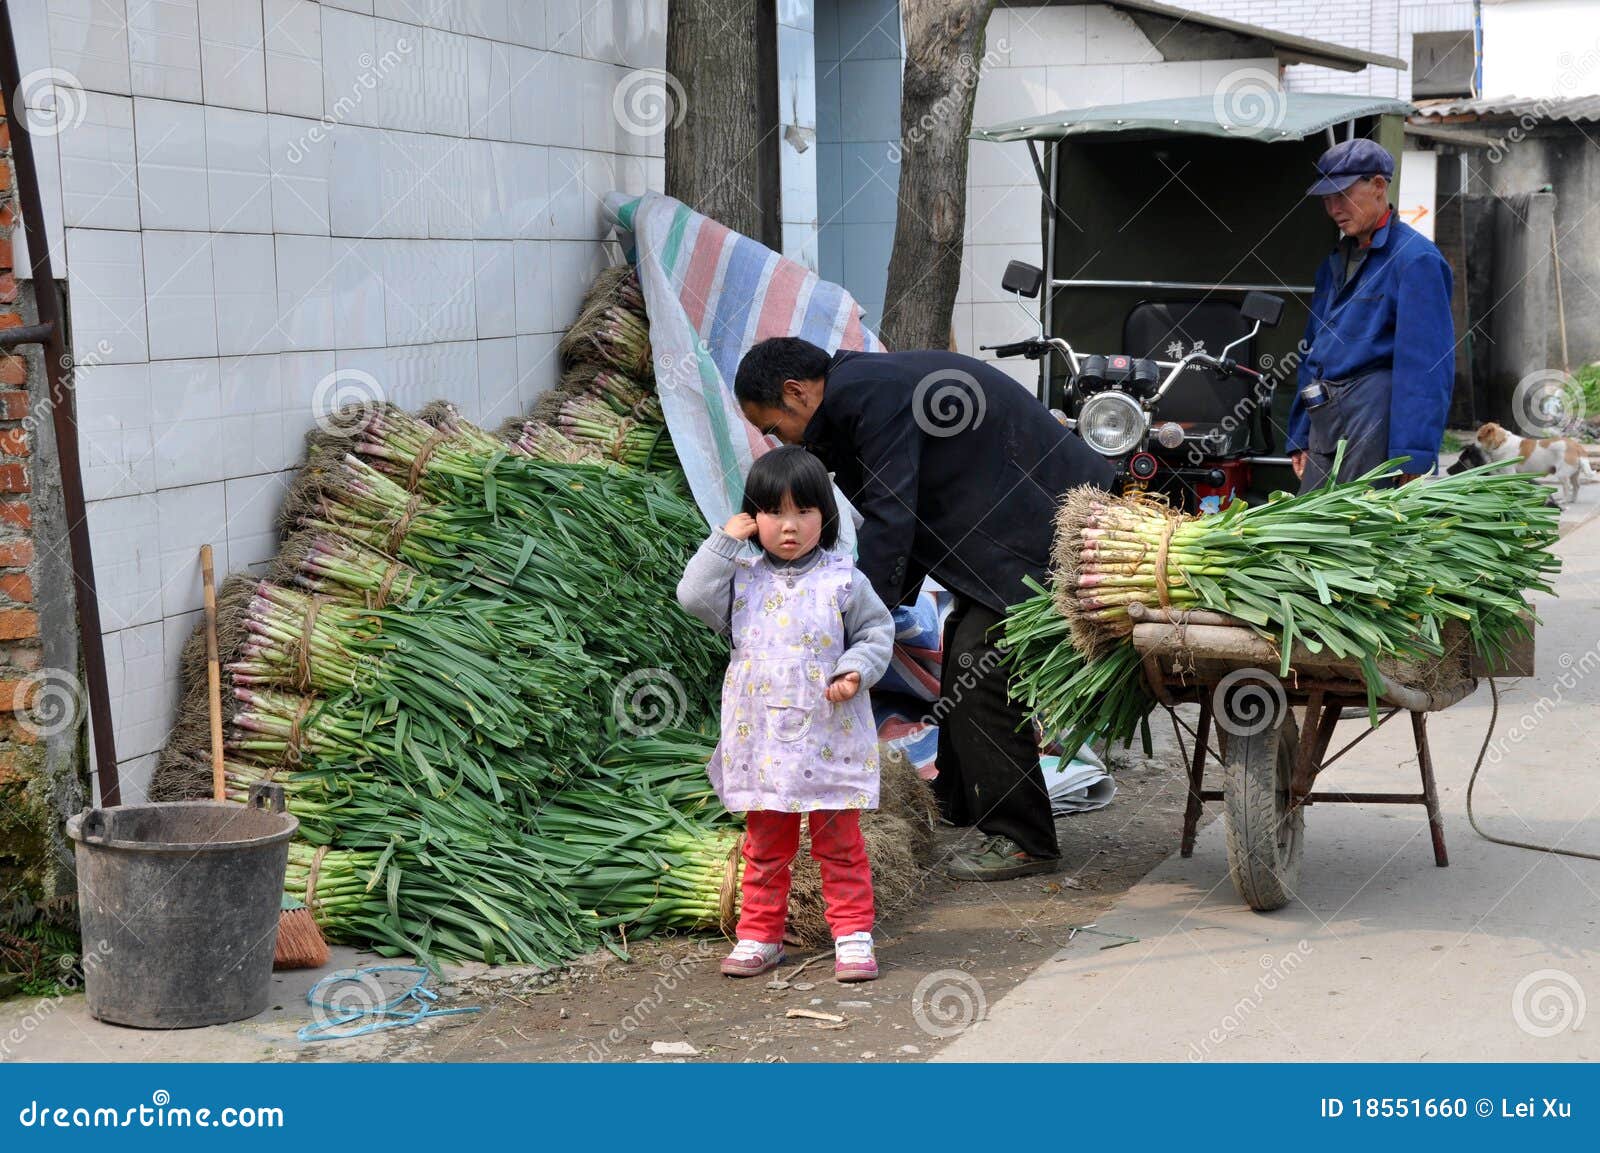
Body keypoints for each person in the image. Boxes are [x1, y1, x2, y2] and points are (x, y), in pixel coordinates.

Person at [733, 337, 1114, 881]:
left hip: (1054, 531)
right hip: (1014, 532)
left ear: (795, 393)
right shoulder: (858, 393)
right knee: (962, 648)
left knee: (979, 670)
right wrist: (869, 615)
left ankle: (1024, 839)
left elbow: (893, 518)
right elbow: (895, 528)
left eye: (773, 426)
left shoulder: (868, 396)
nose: (778, 440)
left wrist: (849, 621)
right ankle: (956, 802)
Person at [677, 445, 895, 981]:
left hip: (829, 733)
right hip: (763, 740)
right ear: (756, 518)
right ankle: (759, 936)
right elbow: (690, 596)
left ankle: (852, 935)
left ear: (827, 516)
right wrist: (726, 541)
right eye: (775, 512)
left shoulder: (845, 579)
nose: (790, 526)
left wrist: (853, 671)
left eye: (805, 512)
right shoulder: (740, 580)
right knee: (765, 846)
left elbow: (876, 632)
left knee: (839, 843)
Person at [1287, 138, 1455, 491]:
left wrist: (1412, 453)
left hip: (1374, 416)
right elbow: (1312, 353)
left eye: (1342, 195)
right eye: (1327, 199)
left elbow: (1426, 367)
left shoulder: (1415, 260)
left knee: (1349, 532)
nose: (1334, 208)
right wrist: (1300, 434)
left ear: (1378, 186)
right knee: (1309, 524)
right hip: (1326, 417)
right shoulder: (1334, 263)